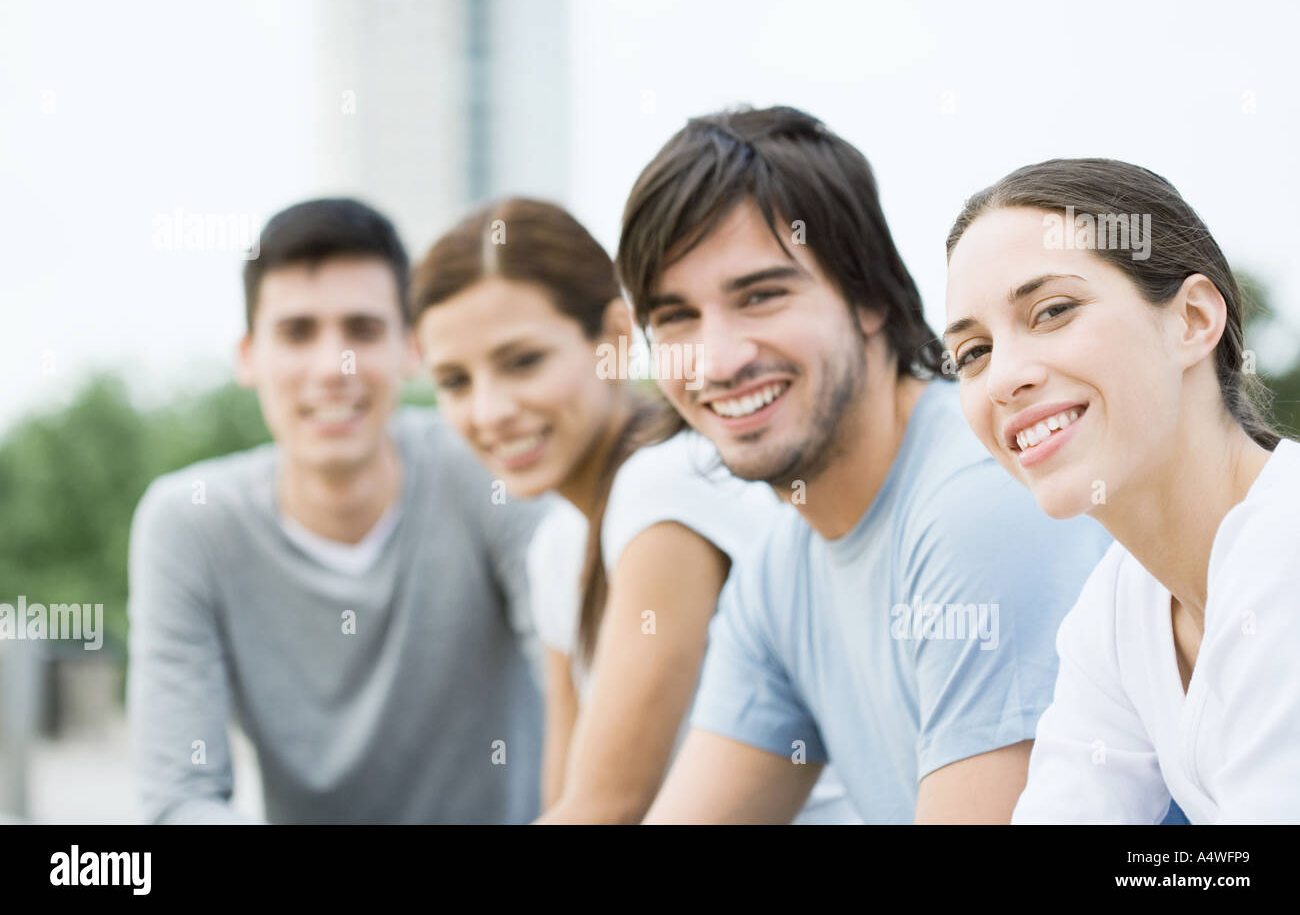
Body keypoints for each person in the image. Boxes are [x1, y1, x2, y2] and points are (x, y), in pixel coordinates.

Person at [616, 105, 1116, 823]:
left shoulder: (981, 501)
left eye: (760, 295)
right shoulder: (779, 573)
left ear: (871, 297)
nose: (717, 360)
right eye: (675, 318)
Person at [410, 197, 858, 823]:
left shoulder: (670, 481)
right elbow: (567, 800)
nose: (490, 411)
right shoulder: (555, 547)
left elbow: (609, 807)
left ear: (616, 340)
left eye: (523, 362)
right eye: (455, 381)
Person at [127, 198, 548, 824]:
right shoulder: (189, 523)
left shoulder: (489, 470)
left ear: (414, 349)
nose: (334, 367)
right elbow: (177, 801)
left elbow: (592, 687)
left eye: (363, 330)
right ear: (249, 356)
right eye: (298, 333)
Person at [942, 158, 1300, 823]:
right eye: (973, 352)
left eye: (1051, 311)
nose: (1003, 379)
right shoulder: (1118, 606)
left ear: (1192, 319)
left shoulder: (1288, 549)